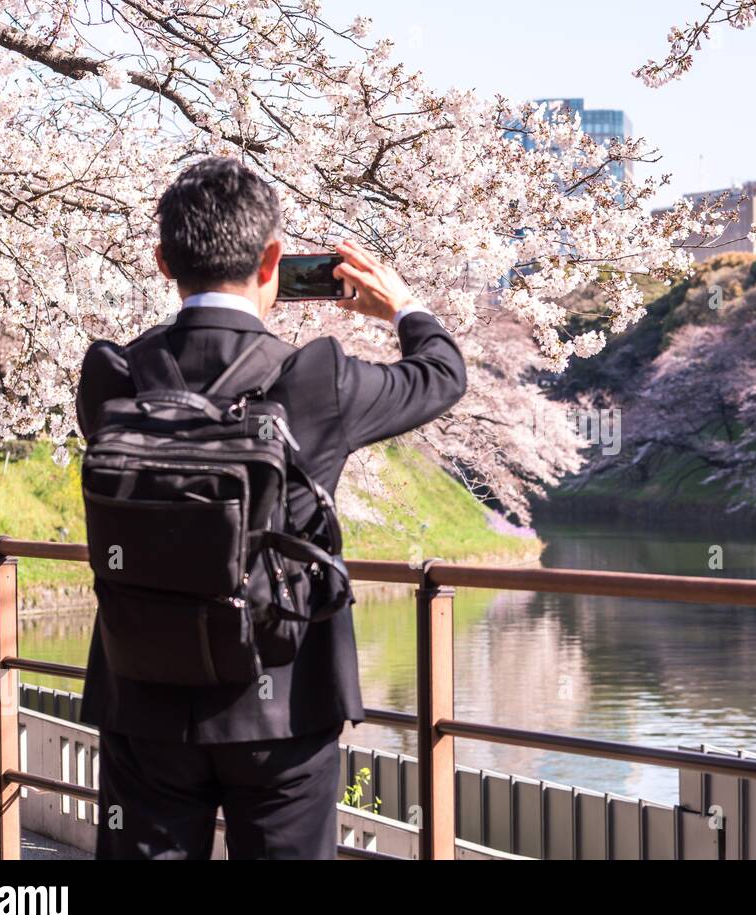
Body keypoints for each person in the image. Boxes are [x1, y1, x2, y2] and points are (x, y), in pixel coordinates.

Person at [75, 156, 466, 859]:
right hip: (284, 704)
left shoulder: (113, 375)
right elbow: (441, 375)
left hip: (142, 699)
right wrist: (404, 305)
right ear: (275, 261)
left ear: (163, 260)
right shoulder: (315, 379)